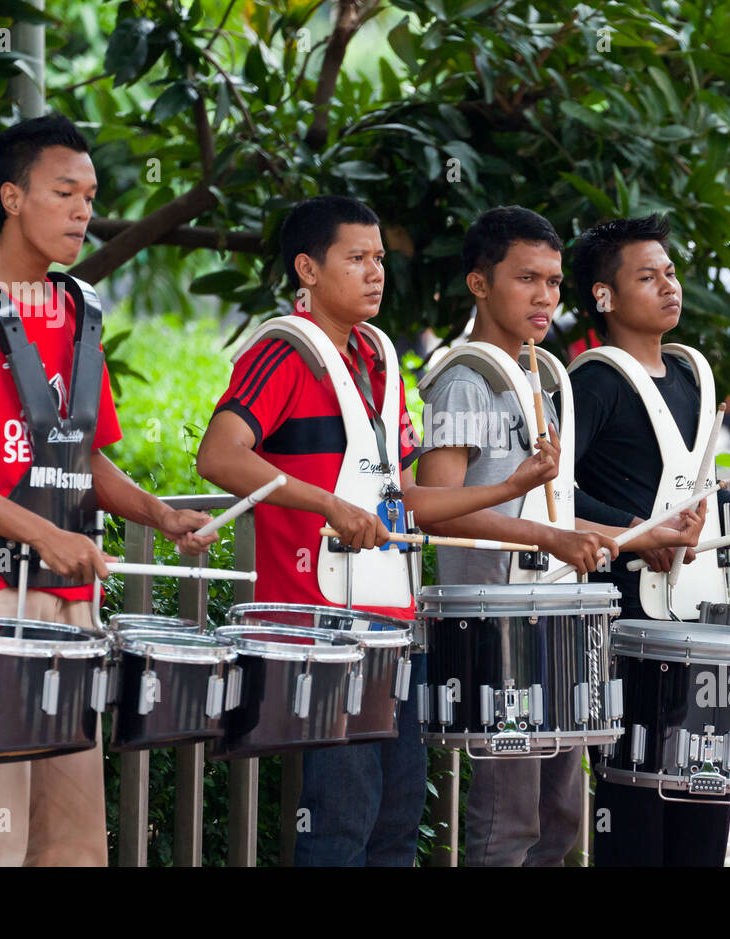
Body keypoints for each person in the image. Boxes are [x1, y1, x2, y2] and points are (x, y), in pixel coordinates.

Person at [195, 196, 552, 865]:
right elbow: (219, 455)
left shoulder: (380, 360)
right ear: (307, 268)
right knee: (339, 825)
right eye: (355, 258)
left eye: (379, 259)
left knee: (394, 823)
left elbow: (407, 499)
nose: (374, 273)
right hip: (322, 627)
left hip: (392, 625)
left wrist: (513, 486)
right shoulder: (283, 351)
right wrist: (327, 505)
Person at [0, 113, 217, 867]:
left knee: (74, 843)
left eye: (91, 194)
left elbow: (83, 462)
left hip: (69, 602)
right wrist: (43, 533)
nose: (84, 210)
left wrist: (160, 513)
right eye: (64, 192)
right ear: (12, 198)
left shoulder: (80, 314)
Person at [414, 206, 704, 867]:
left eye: (552, 281)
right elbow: (437, 507)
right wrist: (551, 540)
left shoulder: (541, 376)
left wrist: (630, 536)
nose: (545, 296)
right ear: (479, 284)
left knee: (560, 823)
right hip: (497, 632)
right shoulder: (466, 379)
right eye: (526, 280)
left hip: (557, 626)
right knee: (505, 826)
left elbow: (553, 507)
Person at [568, 214, 730, 866]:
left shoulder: (688, 380)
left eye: (670, 272)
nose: (668, 285)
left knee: (703, 806)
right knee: (635, 816)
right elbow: (553, 499)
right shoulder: (594, 382)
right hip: (627, 629)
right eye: (646, 275)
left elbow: (698, 499)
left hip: (695, 624)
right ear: (603, 297)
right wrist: (635, 537)